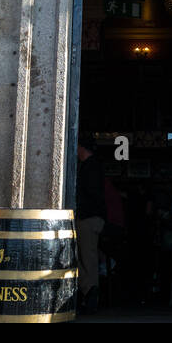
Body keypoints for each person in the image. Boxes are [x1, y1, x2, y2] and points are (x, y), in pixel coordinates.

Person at [75, 133, 106, 314]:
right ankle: (90, 291)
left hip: (88, 219)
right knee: (89, 259)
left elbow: (92, 194)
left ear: (81, 147)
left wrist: (82, 213)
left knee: (82, 257)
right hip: (93, 218)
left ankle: (89, 289)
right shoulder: (93, 166)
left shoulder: (89, 167)